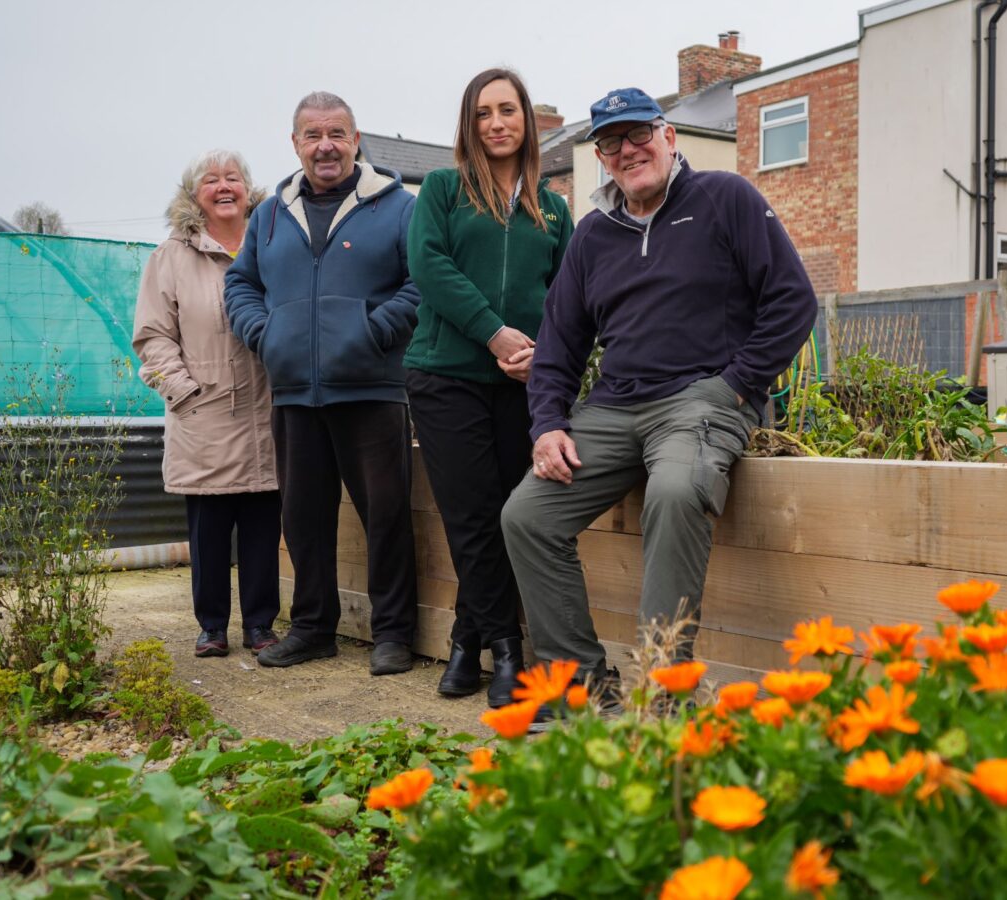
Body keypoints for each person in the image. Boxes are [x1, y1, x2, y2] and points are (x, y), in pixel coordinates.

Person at [500, 87, 817, 717]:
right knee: (527, 516)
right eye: (611, 143)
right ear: (601, 158)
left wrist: (735, 385)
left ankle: (658, 700)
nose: (628, 151)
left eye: (638, 134)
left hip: (702, 399)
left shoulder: (725, 199)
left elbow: (792, 299)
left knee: (675, 492)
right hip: (614, 407)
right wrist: (548, 426)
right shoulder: (593, 234)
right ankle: (579, 694)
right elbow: (559, 342)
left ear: (668, 136)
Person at [225, 91, 421, 676]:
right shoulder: (268, 214)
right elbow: (240, 285)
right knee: (303, 519)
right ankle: (313, 628)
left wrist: (375, 329)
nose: (325, 146)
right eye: (312, 135)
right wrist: (266, 336)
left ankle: (393, 634)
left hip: (372, 388)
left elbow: (422, 281)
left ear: (356, 140)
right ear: (295, 145)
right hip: (294, 393)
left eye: (336, 133)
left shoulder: (396, 206)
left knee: (385, 515)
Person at [406, 69, 573, 707]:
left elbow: (567, 298)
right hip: (446, 374)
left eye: (507, 110)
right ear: (468, 125)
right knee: (471, 516)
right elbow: (430, 267)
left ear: (527, 120)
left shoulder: (553, 208)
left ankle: (462, 639)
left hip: (521, 385)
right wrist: (496, 334)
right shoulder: (444, 190)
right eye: (483, 113)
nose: (496, 123)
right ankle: (506, 651)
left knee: (508, 517)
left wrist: (544, 358)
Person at [133, 150, 281, 658]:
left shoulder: (273, 241)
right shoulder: (170, 257)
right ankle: (212, 626)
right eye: (211, 180)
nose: (223, 187)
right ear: (194, 195)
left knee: (264, 527)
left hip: (267, 410)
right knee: (210, 531)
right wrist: (184, 394)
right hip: (204, 414)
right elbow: (151, 339)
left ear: (247, 188)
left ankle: (261, 625)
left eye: (233, 178)